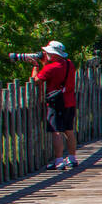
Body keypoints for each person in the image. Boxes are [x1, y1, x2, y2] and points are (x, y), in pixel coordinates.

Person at [31, 40, 78, 169]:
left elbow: (36, 81)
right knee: (69, 130)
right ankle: (72, 158)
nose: (46, 54)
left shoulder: (51, 68)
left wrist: (36, 66)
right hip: (69, 101)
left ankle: (59, 160)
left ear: (54, 54)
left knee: (56, 131)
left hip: (56, 103)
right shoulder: (69, 64)